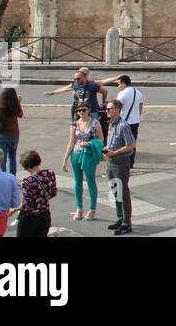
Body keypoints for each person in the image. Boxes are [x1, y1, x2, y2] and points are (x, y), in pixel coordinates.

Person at [61, 100, 103, 221]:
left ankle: (92, 209)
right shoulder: (74, 124)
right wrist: (65, 160)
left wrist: (90, 144)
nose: (81, 112)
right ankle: (79, 208)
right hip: (76, 153)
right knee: (77, 181)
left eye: (83, 110)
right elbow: (71, 142)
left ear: (89, 110)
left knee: (90, 180)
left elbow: (101, 139)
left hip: (89, 153)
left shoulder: (95, 123)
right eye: (78, 110)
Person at [102, 97, 137, 235]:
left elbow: (131, 145)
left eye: (109, 109)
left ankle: (127, 223)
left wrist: (114, 152)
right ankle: (120, 218)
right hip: (111, 161)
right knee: (115, 191)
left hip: (120, 162)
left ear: (117, 110)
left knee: (123, 192)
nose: (107, 111)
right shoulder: (111, 124)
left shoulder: (123, 125)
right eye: (106, 109)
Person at [43, 68, 107, 139]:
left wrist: (103, 102)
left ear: (84, 78)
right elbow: (65, 89)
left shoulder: (93, 85)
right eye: (75, 79)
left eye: (78, 79)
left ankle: (97, 142)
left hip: (92, 110)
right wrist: (52, 93)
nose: (76, 81)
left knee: (94, 127)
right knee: (78, 127)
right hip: (81, 110)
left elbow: (104, 91)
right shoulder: (75, 85)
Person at [97, 74, 144, 167]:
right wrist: (137, 116)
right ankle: (131, 162)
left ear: (123, 84)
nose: (118, 86)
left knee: (121, 142)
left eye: (118, 84)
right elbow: (141, 106)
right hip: (135, 121)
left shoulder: (122, 94)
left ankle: (122, 161)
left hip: (124, 121)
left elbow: (117, 107)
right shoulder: (138, 93)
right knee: (132, 141)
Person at [11, 150, 56, 238]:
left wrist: (13, 210)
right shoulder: (50, 173)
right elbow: (53, 193)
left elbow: (27, 204)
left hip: (29, 218)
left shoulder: (27, 181)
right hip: (45, 215)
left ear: (26, 166)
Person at [0, 87, 24, 175]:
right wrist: (18, 102)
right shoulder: (15, 108)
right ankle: (12, 176)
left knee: (2, 157)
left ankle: (2, 175)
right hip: (13, 135)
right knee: (12, 156)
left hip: (1, 135)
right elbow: (21, 115)